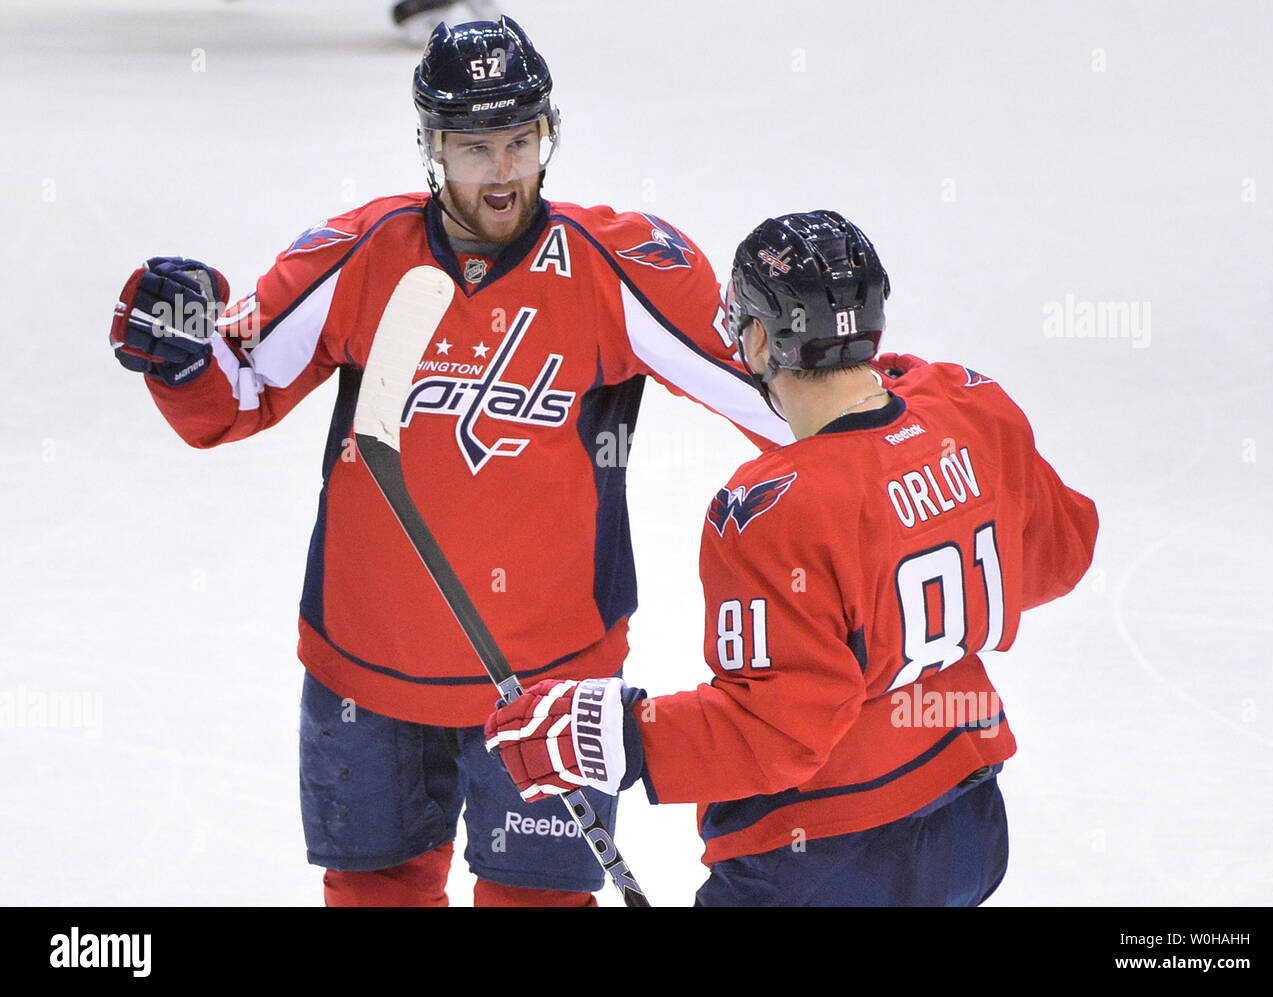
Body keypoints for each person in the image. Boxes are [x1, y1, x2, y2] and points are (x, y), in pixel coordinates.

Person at [108, 16, 789, 907]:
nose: (503, 172)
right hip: (367, 673)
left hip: (549, 685)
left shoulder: (616, 266)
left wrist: (910, 420)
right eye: (475, 148)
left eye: (520, 141)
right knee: (375, 896)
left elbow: (782, 404)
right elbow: (235, 394)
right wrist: (182, 351)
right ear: (431, 147)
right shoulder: (361, 253)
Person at [486, 210, 1100, 906]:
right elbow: (1061, 553)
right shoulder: (969, 406)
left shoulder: (769, 507)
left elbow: (778, 731)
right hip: (970, 826)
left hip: (822, 855)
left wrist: (613, 733)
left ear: (757, 336)